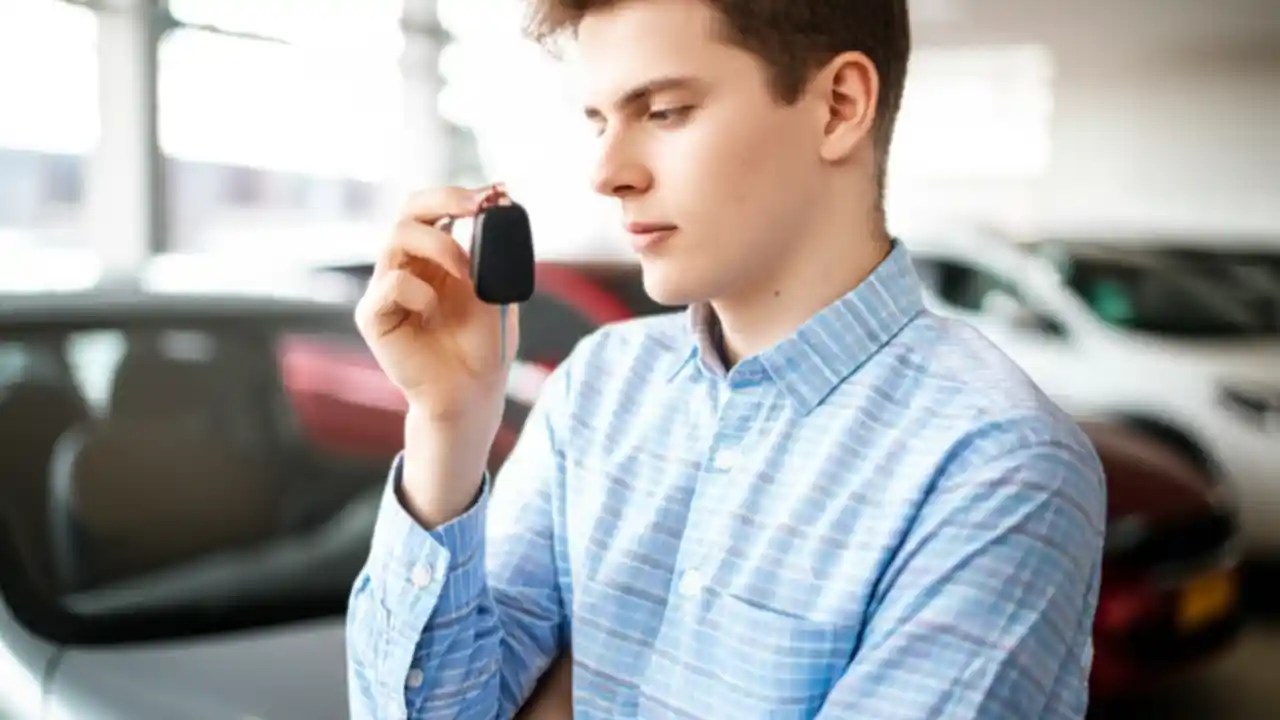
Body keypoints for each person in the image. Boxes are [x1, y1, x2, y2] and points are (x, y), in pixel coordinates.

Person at [345, 0, 1107, 718]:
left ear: (840, 106)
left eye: (665, 111)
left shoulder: (1000, 463)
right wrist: (448, 426)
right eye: (598, 121)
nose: (607, 173)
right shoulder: (599, 385)